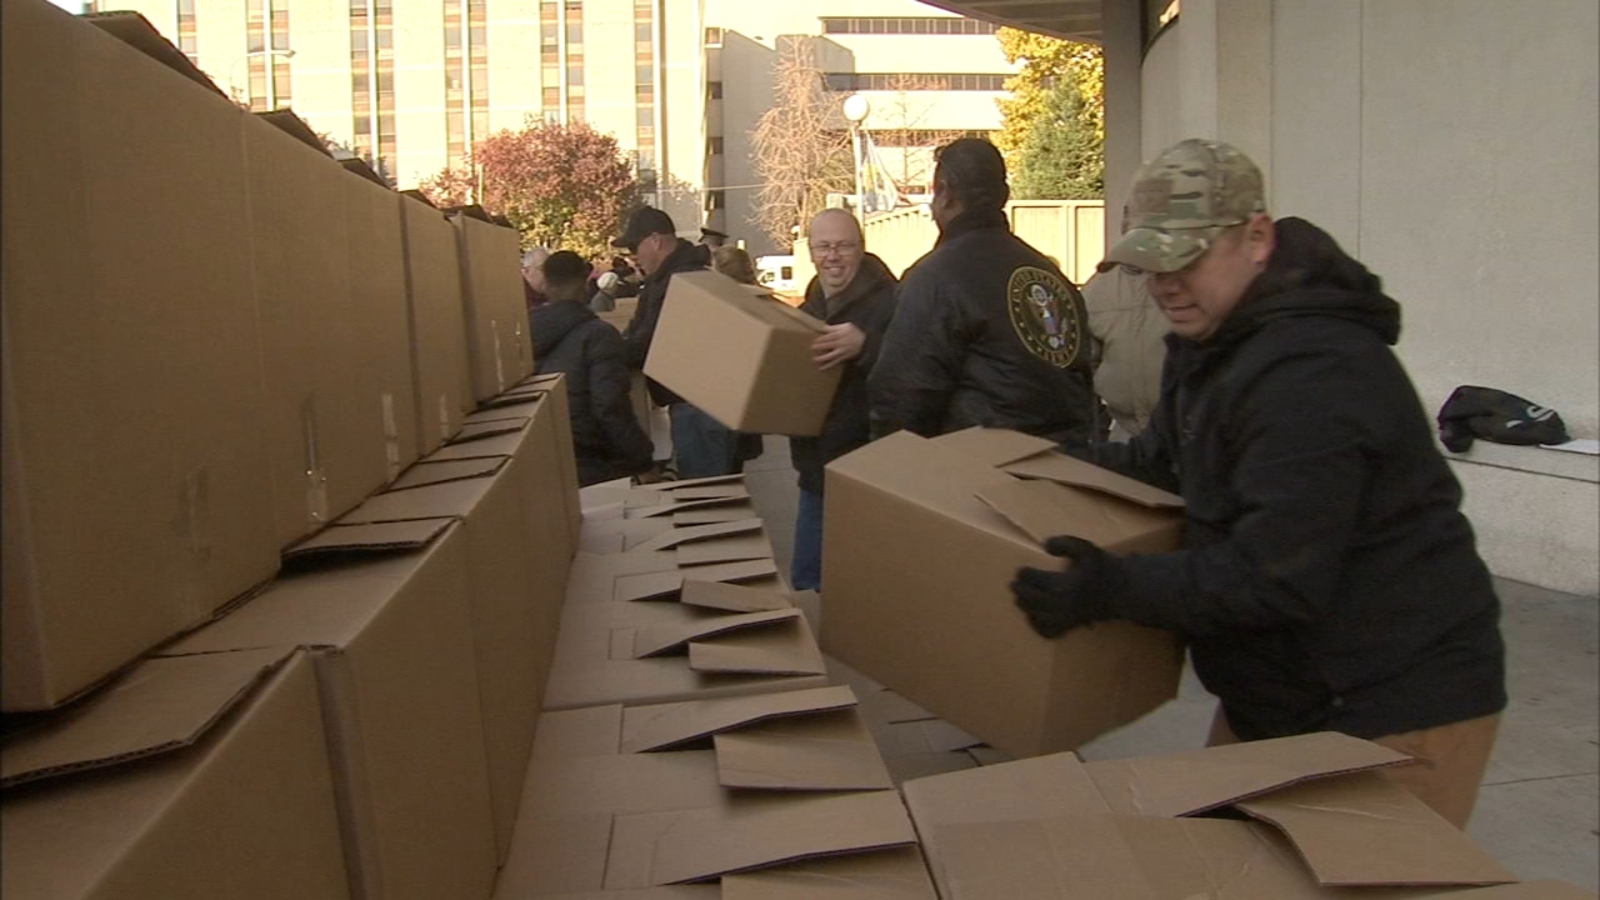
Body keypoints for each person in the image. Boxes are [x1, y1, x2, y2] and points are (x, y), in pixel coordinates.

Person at [1009, 138, 1506, 828]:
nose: (1166, 285)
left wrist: (1113, 587)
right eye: (1151, 265)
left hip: (1396, 699)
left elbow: (1275, 577)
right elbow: (1161, 459)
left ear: (1258, 237)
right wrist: (1035, 463)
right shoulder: (1214, 338)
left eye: (1187, 259)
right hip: (1280, 693)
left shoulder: (1315, 375)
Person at [868, 138, 1099, 447]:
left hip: (980, 470)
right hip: (1063, 467)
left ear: (944, 192)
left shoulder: (936, 278)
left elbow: (901, 396)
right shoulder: (1049, 274)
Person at [788, 209, 899, 592]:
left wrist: (866, 345)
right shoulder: (806, 312)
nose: (832, 256)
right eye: (823, 247)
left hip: (870, 472)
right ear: (811, 252)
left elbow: (918, 371)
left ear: (861, 249)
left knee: (864, 591)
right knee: (806, 585)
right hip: (815, 475)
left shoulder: (894, 302)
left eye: (843, 246)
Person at [613, 206, 742, 479]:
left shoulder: (678, 282)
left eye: (635, 247)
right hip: (701, 406)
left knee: (706, 501)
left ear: (655, 241)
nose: (632, 257)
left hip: (699, 408)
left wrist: (603, 348)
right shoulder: (673, 277)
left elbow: (644, 343)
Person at [529, 251, 657, 486]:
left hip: (546, 458)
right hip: (597, 461)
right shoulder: (599, 336)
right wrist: (643, 461)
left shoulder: (527, 335)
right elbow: (610, 407)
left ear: (546, 285)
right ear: (583, 283)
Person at [1082, 207, 1170, 438]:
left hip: (1187, 435)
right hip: (1125, 433)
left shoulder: (1188, 281)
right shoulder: (1100, 286)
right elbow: (1083, 363)